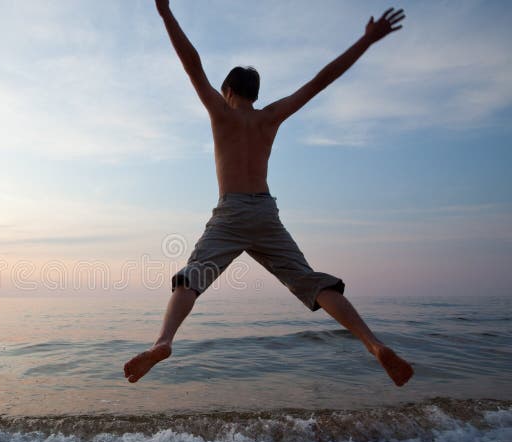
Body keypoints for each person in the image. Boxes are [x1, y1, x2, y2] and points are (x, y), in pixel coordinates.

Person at [124, 1, 414, 387]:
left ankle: (163, 341)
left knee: (191, 278)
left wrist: (165, 13)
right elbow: (320, 80)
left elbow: (191, 63)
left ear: (227, 90)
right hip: (265, 213)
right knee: (311, 281)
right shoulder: (270, 117)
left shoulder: (220, 111)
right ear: (255, 94)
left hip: (230, 215)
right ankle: (373, 344)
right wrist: (366, 41)